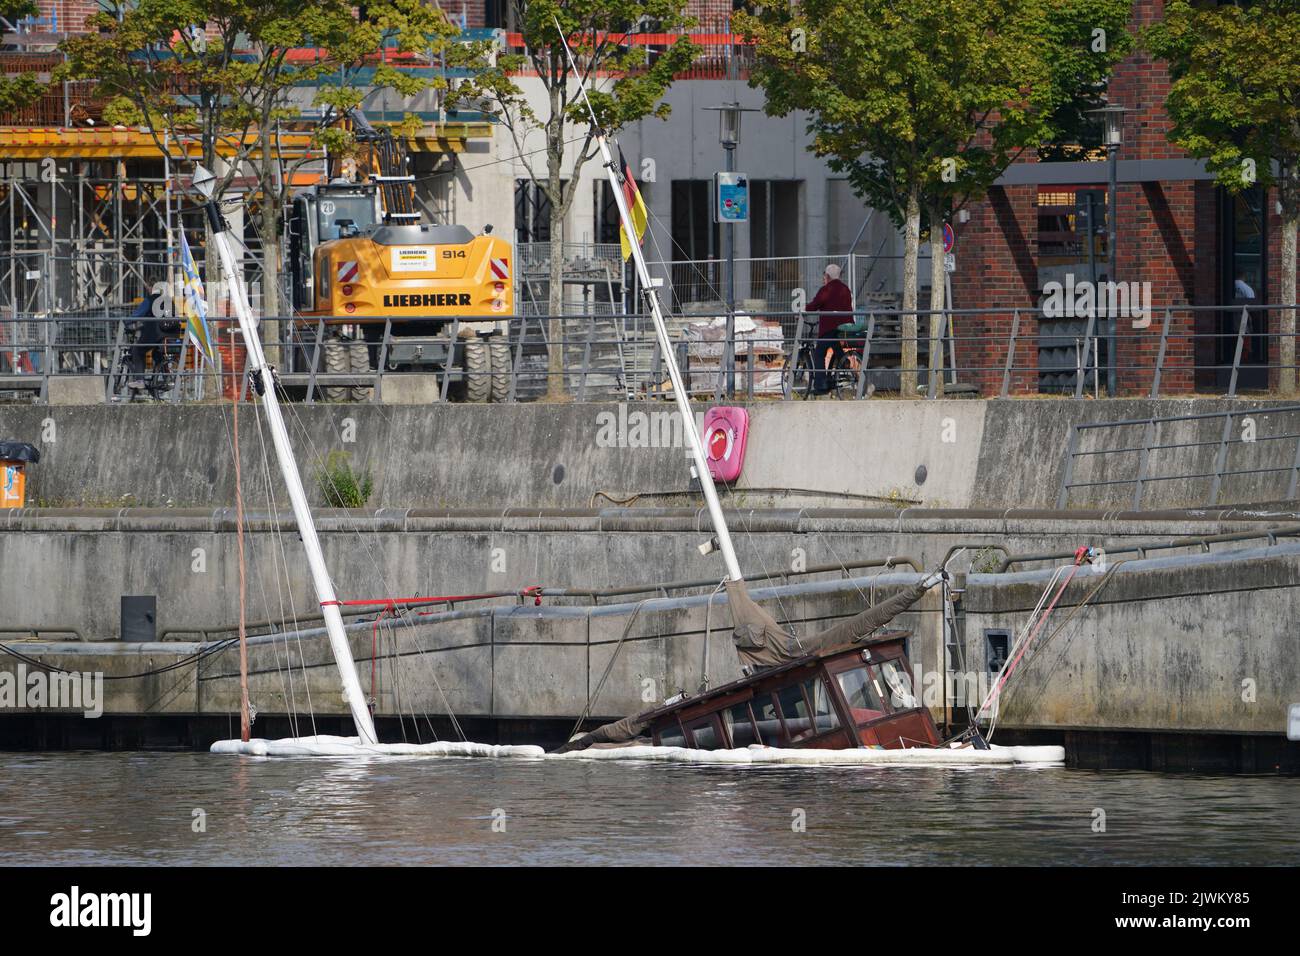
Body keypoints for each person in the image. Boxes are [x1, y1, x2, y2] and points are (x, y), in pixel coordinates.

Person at [806, 263, 853, 393]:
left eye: (824, 276)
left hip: (830, 327)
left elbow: (815, 304)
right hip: (845, 326)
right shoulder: (845, 289)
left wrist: (803, 310)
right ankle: (843, 361)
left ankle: (821, 386)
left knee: (819, 352)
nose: (823, 278)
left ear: (827, 276)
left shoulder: (826, 289)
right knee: (835, 344)